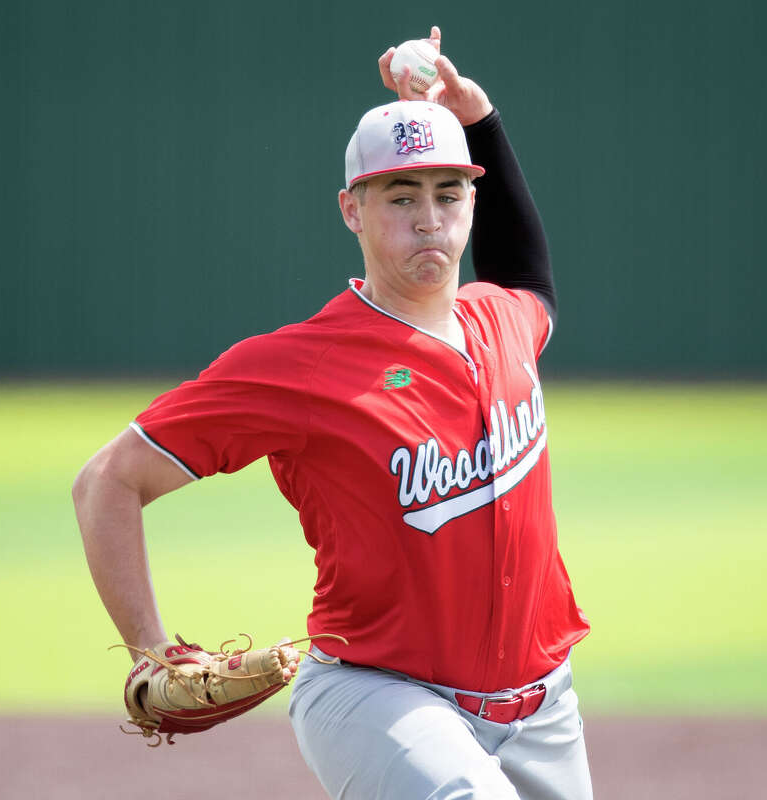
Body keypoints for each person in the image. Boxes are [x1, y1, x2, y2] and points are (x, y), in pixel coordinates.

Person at [72, 26, 592, 799]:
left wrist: (478, 116)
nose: (429, 218)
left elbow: (527, 275)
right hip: (379, 695)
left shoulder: (505, 320)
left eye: (448, 194)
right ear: (352, 210)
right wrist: (151, 650)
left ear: (474, 204)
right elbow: (107, 481)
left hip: (544, 704)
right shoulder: (299, 365)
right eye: (401, 197)